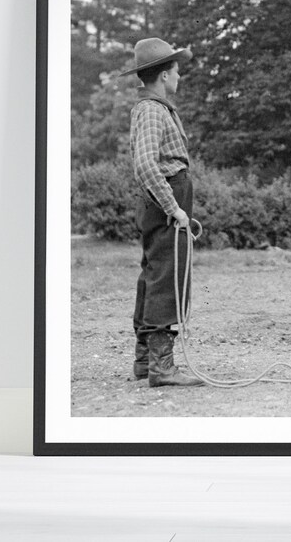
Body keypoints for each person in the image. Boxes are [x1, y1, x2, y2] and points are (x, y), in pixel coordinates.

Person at [121, 37, 204, 387]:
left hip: (164, 196)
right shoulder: (153, 110)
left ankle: (145, 362)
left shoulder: (154, 108)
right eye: (177, 70)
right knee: (165, 276)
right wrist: (174, 207)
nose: (180, 76)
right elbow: (145, 164)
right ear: (165, 75)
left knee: (155, 271)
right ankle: (161, 367)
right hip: (165, 198)